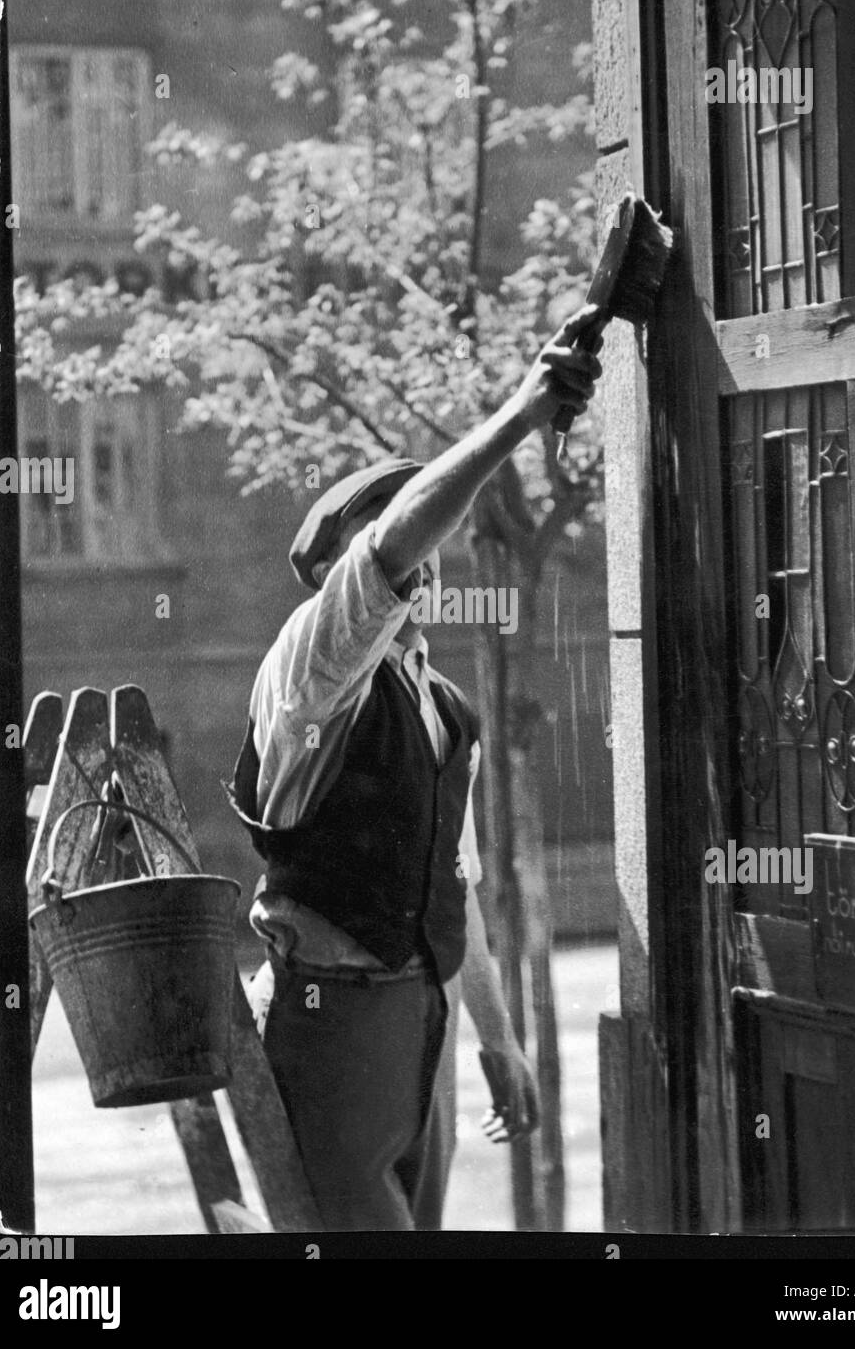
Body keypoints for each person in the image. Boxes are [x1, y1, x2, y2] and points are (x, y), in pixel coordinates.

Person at [227, 304, 604, 1230]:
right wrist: (518, 416)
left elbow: (455, 886)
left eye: (426, 536)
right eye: (398, 534)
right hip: (331, 1017)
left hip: (422, 1022)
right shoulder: (311, 662)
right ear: (336, 574)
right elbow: (393, 544)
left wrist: (497, 1038)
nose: (423, 556)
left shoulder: (439, 704)